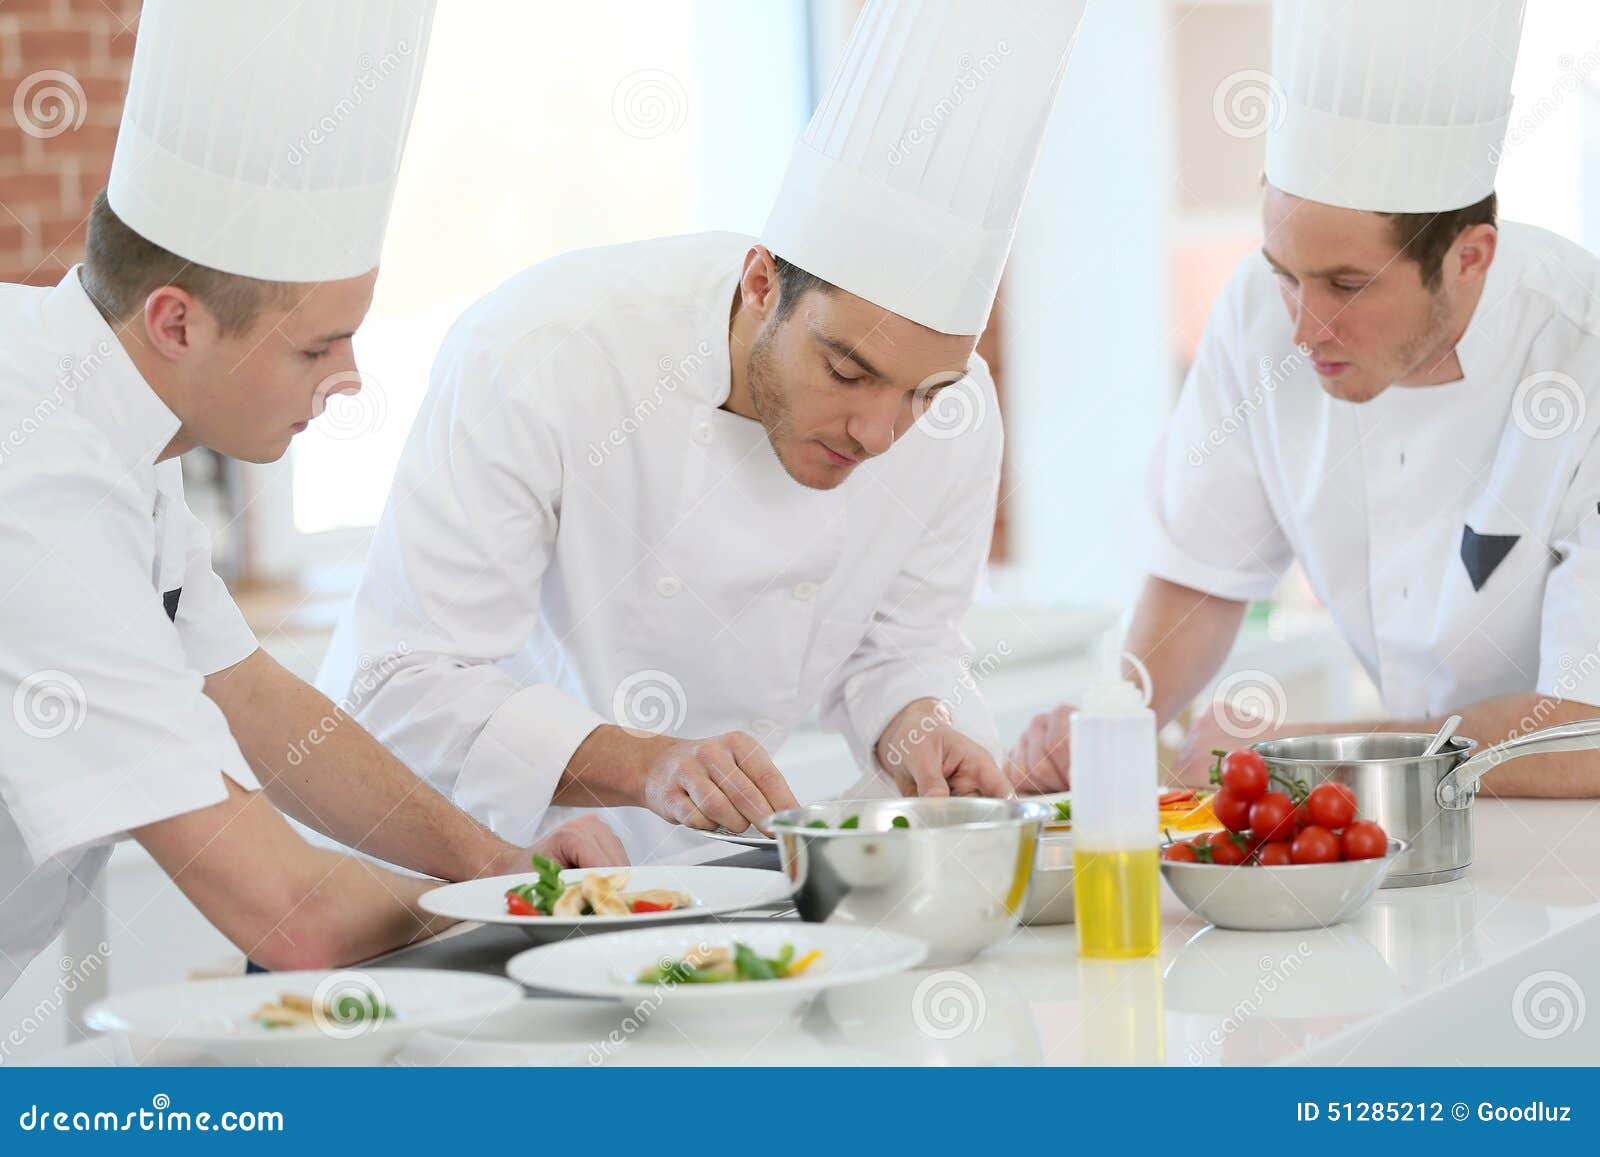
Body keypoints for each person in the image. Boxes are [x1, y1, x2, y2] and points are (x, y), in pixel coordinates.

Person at [316, 0, 1089, 862]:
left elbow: (903, 646)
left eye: (925, 394)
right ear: (761, 284)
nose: (879, 432)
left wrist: (923, 726)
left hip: (731, 877)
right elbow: (399, 684)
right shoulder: (543, 353)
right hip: (497, 863)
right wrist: (646, 763)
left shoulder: (958, 413)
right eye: (847, 372)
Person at [0, 0, 622, 997]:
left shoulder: (117, 413)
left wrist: (495, 860)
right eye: (314, 347)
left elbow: (250, 696)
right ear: (176, 323)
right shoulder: (36, 476)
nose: (348, 380)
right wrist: (524, 902)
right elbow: (289, 915)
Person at [1011, 0, 1600, 798]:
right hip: (1408, 818)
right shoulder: (1256, 314)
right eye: (1285, 274)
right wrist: (1110, 724)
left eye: (1347, 285)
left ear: (1470, 257)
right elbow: (1201, 577)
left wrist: (1313, 755)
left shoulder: (1581, 353)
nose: (1302, 326)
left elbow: (1586, 738)